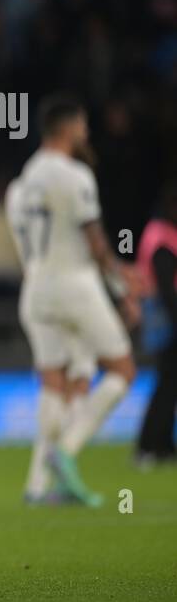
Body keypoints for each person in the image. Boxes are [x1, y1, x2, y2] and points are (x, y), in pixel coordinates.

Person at [6, 94, 138, 505]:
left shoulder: (21, 184)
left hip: (36, 289)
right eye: (83, 126)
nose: (86, 133)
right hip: (74, 285)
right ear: (68, 128)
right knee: (121, 369)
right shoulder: (74, 175)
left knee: (56, 383)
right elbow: (96, 243)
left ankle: (37, 485)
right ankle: (67, 451)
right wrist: (122, 290)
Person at [135, 184, 177, 466]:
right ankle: (149, 445)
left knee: (168, 382)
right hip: (164, 315)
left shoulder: (163, 233)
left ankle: (161, 445)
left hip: (164, 312)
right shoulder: (161, 236)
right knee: (167, 381)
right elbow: (165, 286)